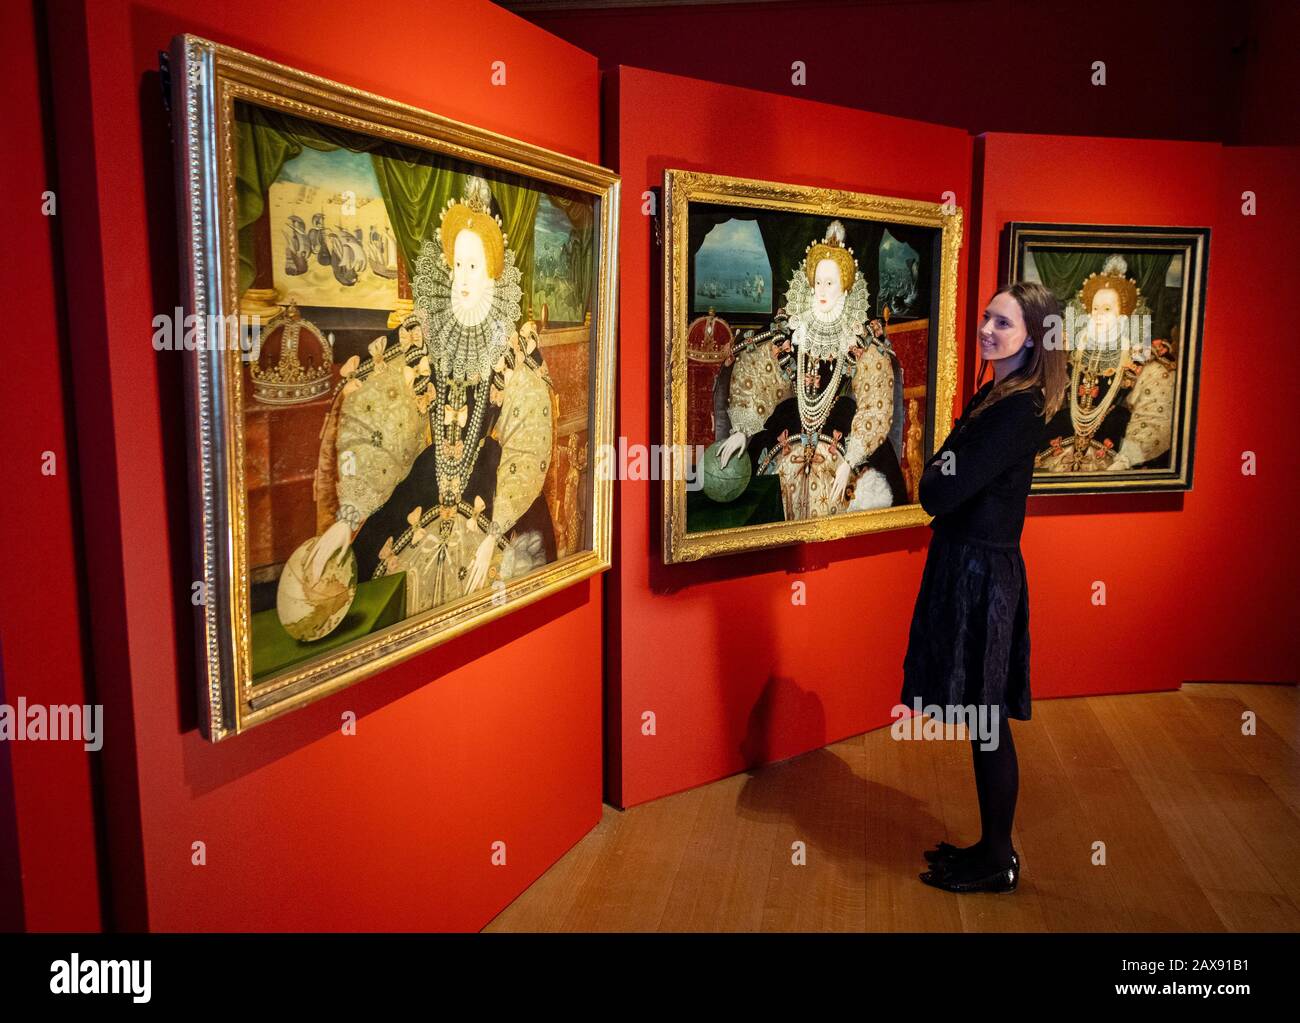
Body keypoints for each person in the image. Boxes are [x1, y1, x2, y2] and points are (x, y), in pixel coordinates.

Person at [900, 281, 1067, 894]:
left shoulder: (1018, 409)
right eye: (988, 319)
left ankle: (999, 858)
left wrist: (945, 463)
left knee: (988, 718)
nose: (989, 330)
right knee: (981, 716)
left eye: (1004, 324)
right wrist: (946, 465)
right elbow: (942, 482)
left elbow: (937, 490)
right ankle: (990, 848)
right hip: (965, 563)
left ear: (1034, 337)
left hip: (981, 573)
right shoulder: (997, 393)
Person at [715, 220, 908, 517]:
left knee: (862, 492)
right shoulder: (791, 331)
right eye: (818, 282)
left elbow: (874, 402)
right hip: (790, 420)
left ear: (844, 288)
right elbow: (761, 376)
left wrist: (850, 460)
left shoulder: (860, 339)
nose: (822, 289)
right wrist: (742, 430)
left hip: (844, 424)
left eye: (830, 283)